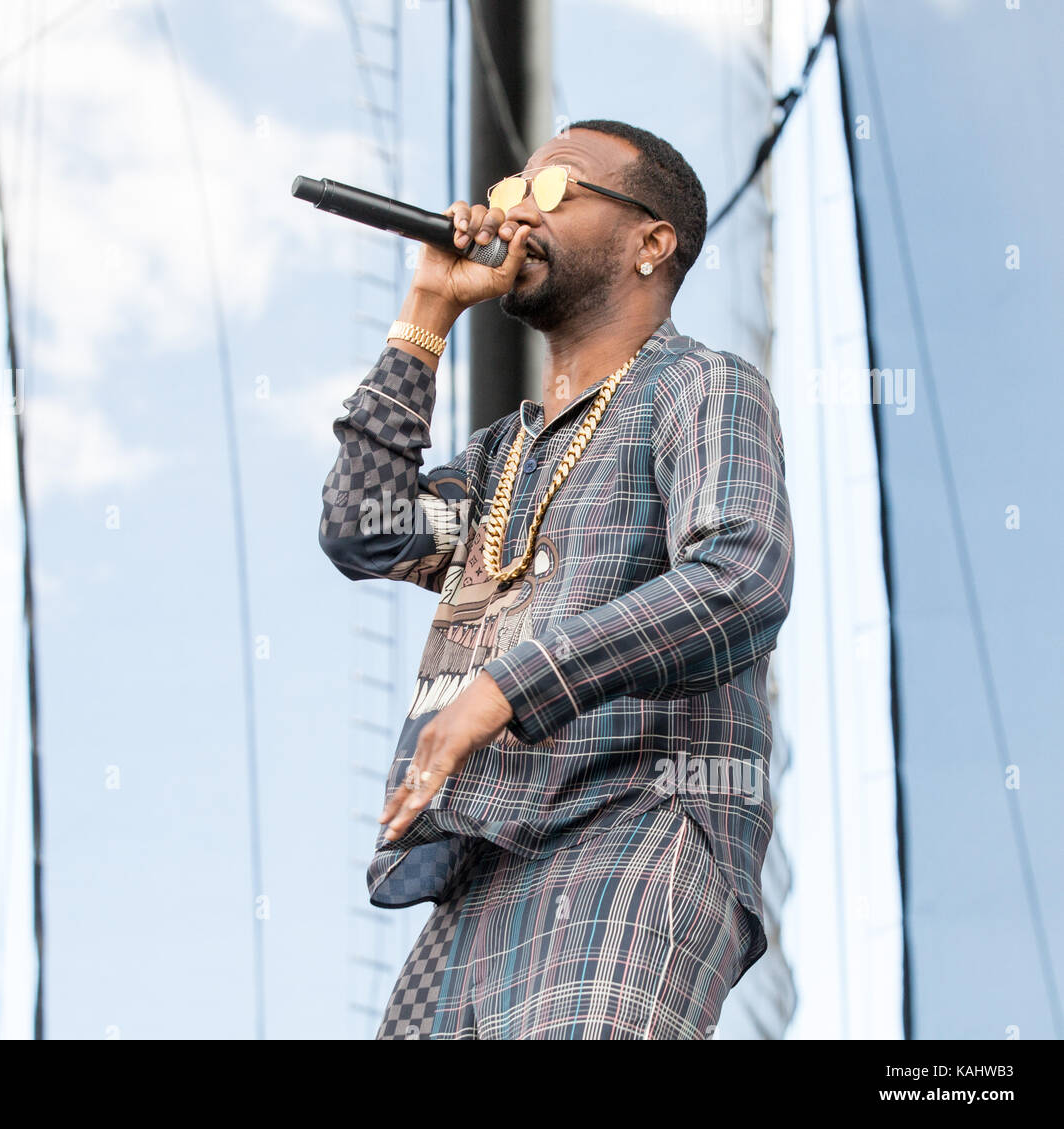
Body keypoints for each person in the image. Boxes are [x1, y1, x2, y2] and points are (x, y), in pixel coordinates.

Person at [318, 119, 794, 1039]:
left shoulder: (703, 386)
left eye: (550, 191)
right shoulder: (504, 457)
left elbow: (742, 575)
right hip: (480, 868)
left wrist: (506, 686)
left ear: (651, 241)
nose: (513, 214)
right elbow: (361, 533)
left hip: (636, 827)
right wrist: (426, 311)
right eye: (507, 192)